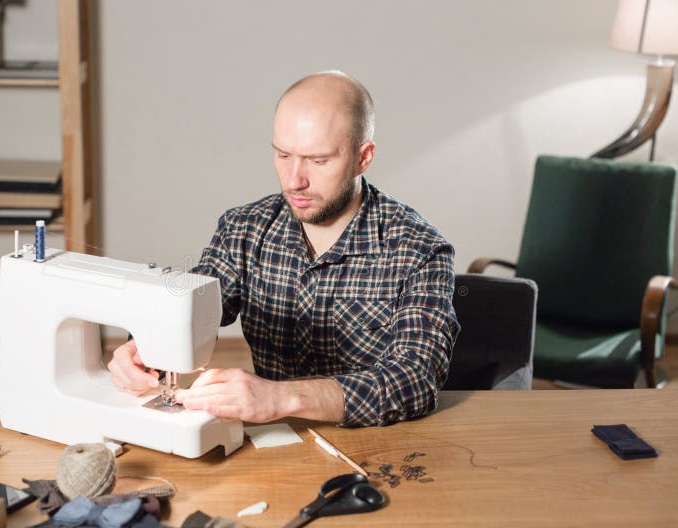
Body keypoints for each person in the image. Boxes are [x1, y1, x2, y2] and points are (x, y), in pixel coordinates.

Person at [109, 71, 459, 427]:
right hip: (274, 443)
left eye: (318, 160)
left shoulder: (420, 250)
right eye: (283, 155)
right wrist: (143, 349)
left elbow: (417, 379)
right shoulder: (244, 230)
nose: (294, 181)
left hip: (378, 444)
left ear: (363, 157)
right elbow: (190, 309)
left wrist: (281, 397)